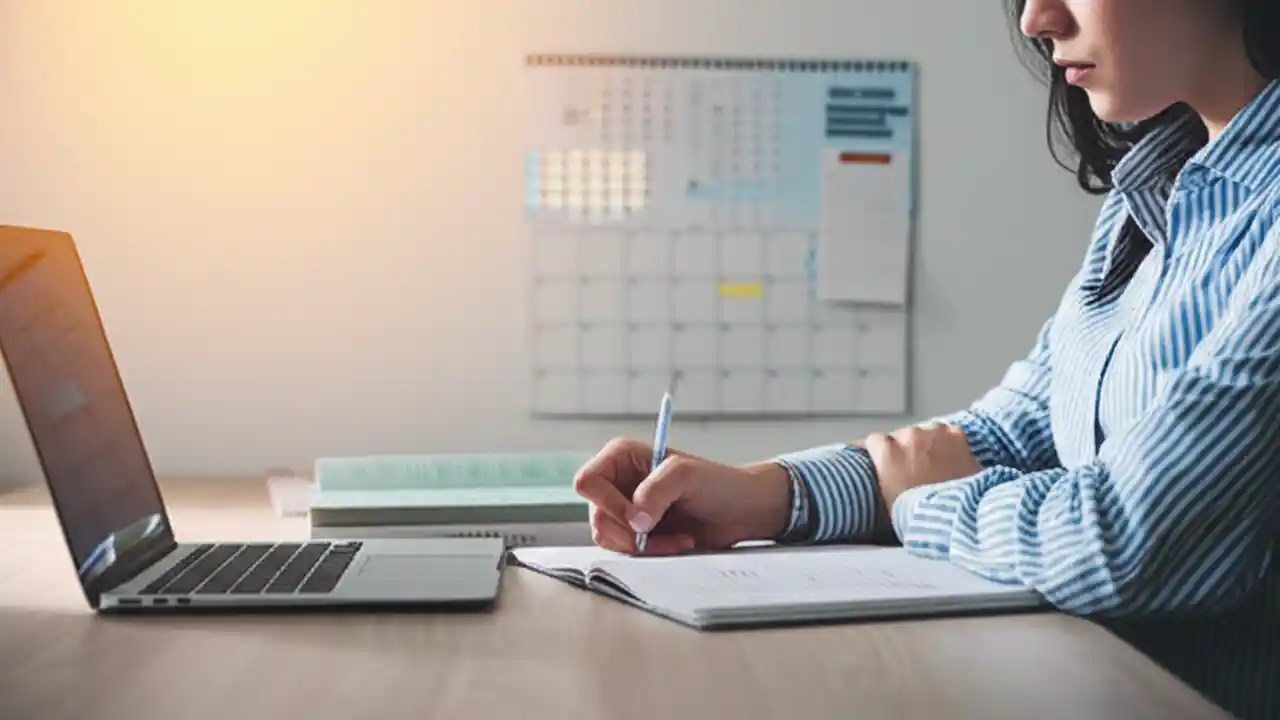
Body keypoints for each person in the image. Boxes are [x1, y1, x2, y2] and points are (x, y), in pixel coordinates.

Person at [571, 1, 1280, 718]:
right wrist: (764, 494)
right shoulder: (1147, 201)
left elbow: (1127, 543)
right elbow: (1011, 435)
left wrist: (924, 502)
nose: (1038, 18)